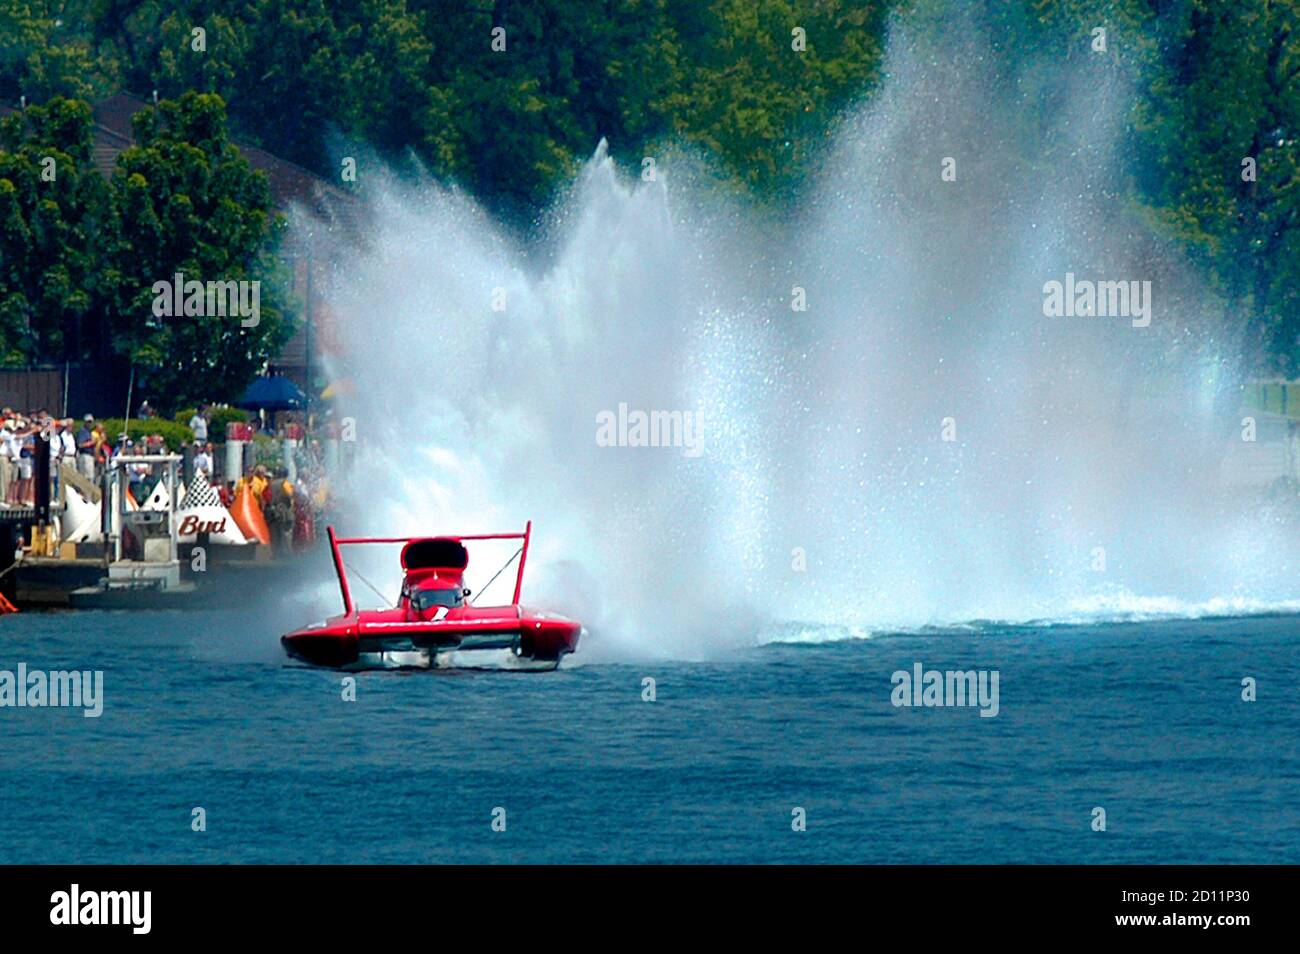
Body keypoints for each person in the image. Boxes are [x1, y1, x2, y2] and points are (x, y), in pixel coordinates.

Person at [76, 414, 96, 480]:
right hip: (85, 455)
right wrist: (90, 443)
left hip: (90, 456)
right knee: (85, 477)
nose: (89, 424)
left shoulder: (89, 432)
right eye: (88, 422)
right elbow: (80, 445)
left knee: (90, 476)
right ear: (85, 422)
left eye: (90, 422)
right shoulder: (82, 432)